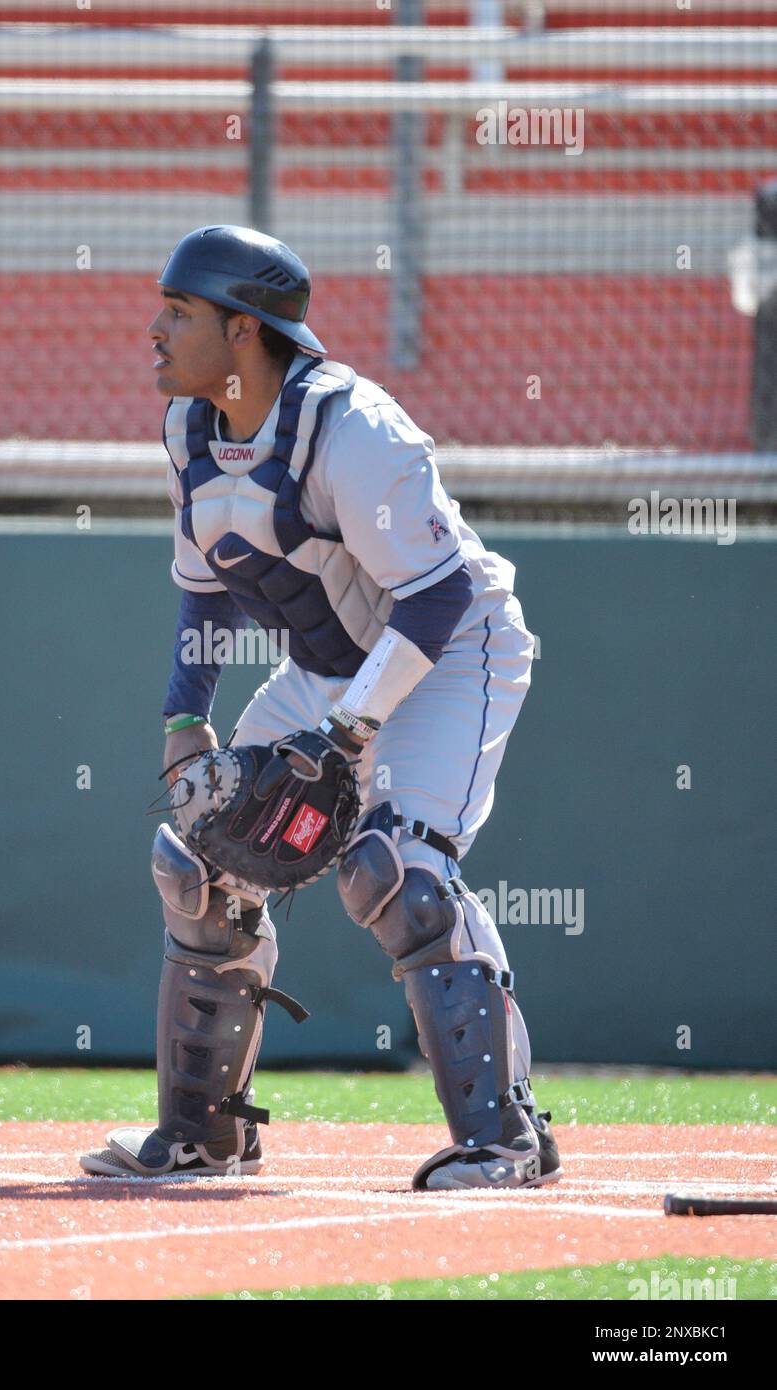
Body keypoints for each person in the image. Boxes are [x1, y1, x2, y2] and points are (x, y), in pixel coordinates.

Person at [80, 225, 561, 1191]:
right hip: (330, 661)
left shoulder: (351, 426)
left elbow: (435, 597)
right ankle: (204, 1137)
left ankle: (504, 1138)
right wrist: (185, 723)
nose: (154, 329)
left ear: (244, 330)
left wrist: (350, 735)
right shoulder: (189, 431)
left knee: (397, 870)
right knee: (195, 859)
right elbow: (203, 588)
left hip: (453, 647)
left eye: (179, 312)